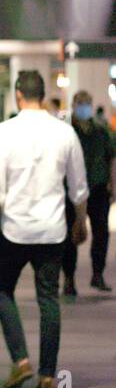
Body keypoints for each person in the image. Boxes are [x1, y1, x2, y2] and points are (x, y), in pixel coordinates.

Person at [0, 70, 88, 388]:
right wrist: (80, 221)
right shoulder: (64, 132)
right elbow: (79, 185)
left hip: (14, 229)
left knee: (2, 289)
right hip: (52, 229)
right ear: (42, 95)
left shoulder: (4, 131)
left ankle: (21, 360)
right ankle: (47, 374)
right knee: (48, 298)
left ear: (18, 94)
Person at [63, 90, 114, 293]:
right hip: (71, 191)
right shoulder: (66, 131)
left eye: (87, 102)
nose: (84, 106)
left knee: (101, 233)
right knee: (70, 234)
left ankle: (97, 274)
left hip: (98, 189)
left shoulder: (102, 131)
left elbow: (111, 158)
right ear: (73, 105)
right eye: (80, 102)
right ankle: (69, 279)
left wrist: (113, 185)